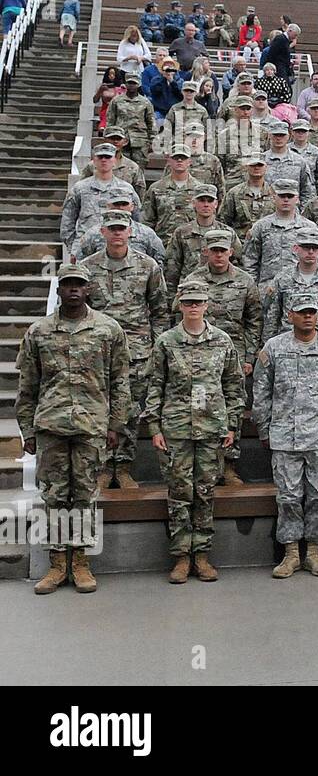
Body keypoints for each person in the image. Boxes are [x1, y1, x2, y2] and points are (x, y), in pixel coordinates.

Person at [17, 263, 131, 595]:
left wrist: (115, 424)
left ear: (88, 289)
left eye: (79, 284)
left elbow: (120, 381)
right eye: (67, 284)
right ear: (59, 290)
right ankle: (56, 563)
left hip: (91, 425)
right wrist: (27, 430)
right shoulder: (39, 332)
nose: (73, 290)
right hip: (51, 425)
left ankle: (80, 561)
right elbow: (28, 385)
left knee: (84, 495)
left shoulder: (108, 330)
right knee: (53, 496)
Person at [141, 280, 244, 584]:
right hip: (176, 429)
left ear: (207, 305)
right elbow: (155, 385)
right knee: (179, 493)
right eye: (188, 303)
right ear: (180, 306)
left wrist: (233, 424)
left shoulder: (222, 341)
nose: (194, 308)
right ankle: (181, 557)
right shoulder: (166, 342)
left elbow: (234, 386)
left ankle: (202, 554)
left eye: (198, 303)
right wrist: (154, 427)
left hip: (212, 428)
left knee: (205, 491)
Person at [254, 293, 318, 579]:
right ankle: (290, 554)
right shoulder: (274, 347)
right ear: (290, 315)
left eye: (312, 312)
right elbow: (262, 391)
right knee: (288, 497)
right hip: (285, 436)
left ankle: (313, 551)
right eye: (301, 312)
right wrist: (263, 428)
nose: (308, 316)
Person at [81, 210, 170, 489]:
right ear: (103, 232)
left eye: (122, 228)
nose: (117, 233)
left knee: (130, 410)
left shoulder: (148, 266)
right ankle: (104, 467)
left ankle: (124, 467)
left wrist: (156, 346)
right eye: (112, 228)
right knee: (99, 408)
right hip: (98, 349)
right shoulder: (88, 268)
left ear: (130, 231)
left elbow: (159, 311)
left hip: (137, 350)